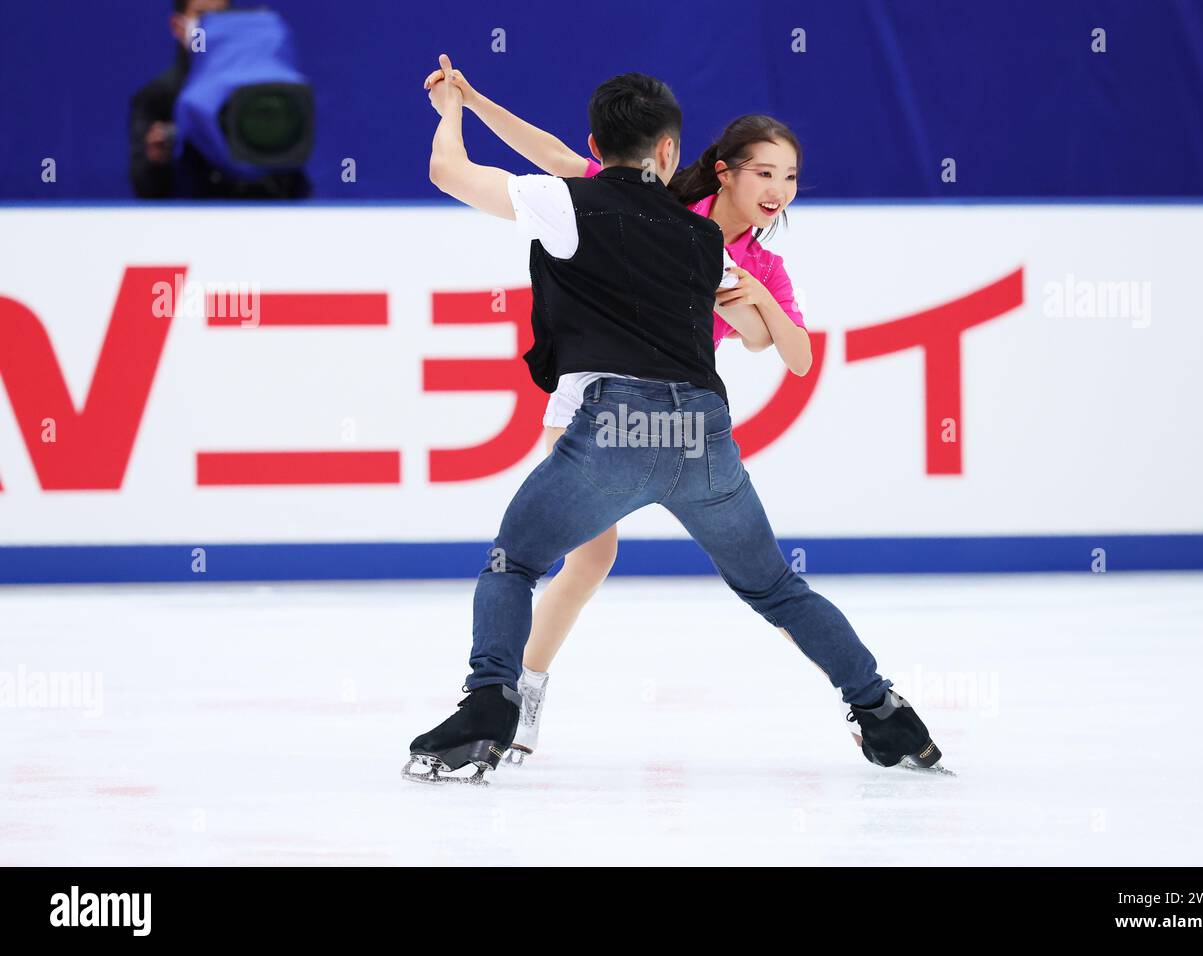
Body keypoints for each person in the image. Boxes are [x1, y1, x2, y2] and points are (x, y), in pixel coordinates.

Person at [404, 54, 946, 783]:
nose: (778, 191)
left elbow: (468, 175)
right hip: (699, 428)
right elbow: (759, 340)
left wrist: (452, 114)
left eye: (787, 178)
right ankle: (883, 713)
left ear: (598, 152)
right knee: (775, 587)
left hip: (615, 423)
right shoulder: (704, 241)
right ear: (680, 156)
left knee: (516, 563)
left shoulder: (581, 202)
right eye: (765, 174)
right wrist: (752, 300)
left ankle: (492, 705)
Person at [129, 0, 309, 198]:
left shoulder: (265, 91)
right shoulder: (158, 96)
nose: (212, 25)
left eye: (220, 15)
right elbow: (146, 189)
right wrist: (157, 163)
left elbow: (294, 179)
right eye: (202, 15)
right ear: (178, 26)